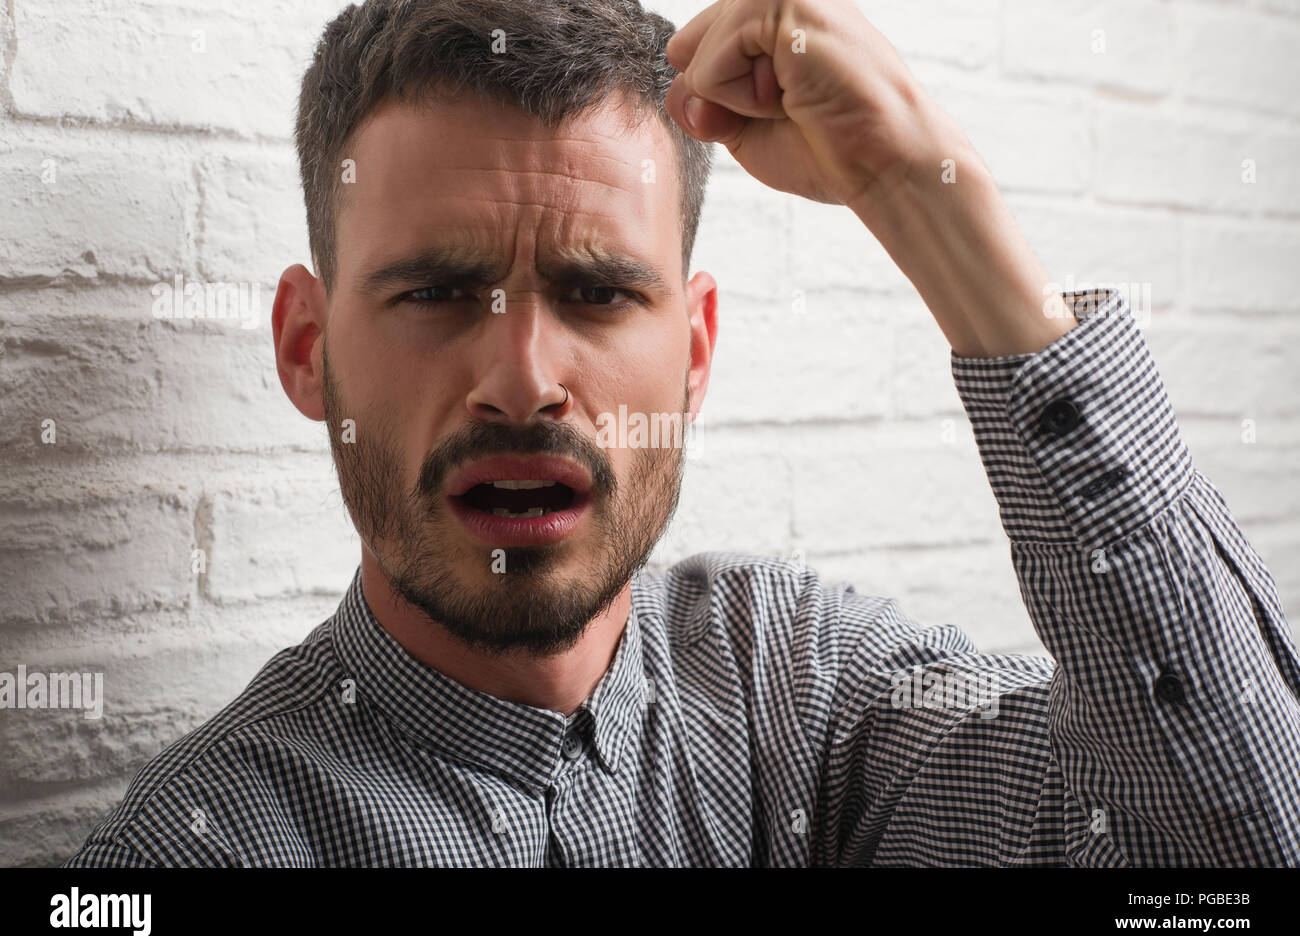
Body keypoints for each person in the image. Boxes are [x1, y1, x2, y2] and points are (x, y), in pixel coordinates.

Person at [66, 0, 1298, 867]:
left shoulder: (807, 693)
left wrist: (930, 190)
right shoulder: (196, 847)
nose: (523, 382)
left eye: (599, 293)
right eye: (437, 292)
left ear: (695, 351)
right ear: (306, 349)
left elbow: (1236, 838)